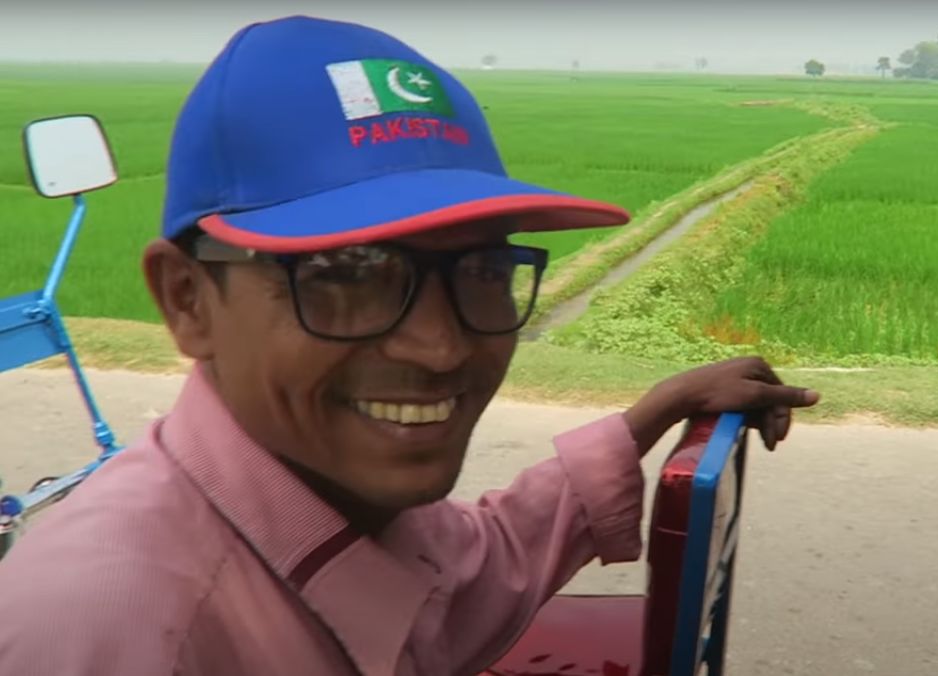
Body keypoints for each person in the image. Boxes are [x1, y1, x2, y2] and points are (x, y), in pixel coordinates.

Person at [0, 15, 819, 676]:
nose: (440, 349)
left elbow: (476, 566)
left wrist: (655, 413)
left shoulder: (339, 496)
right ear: (187, 300)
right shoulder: (107, 632)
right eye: (348, 273)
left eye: (484, 269)